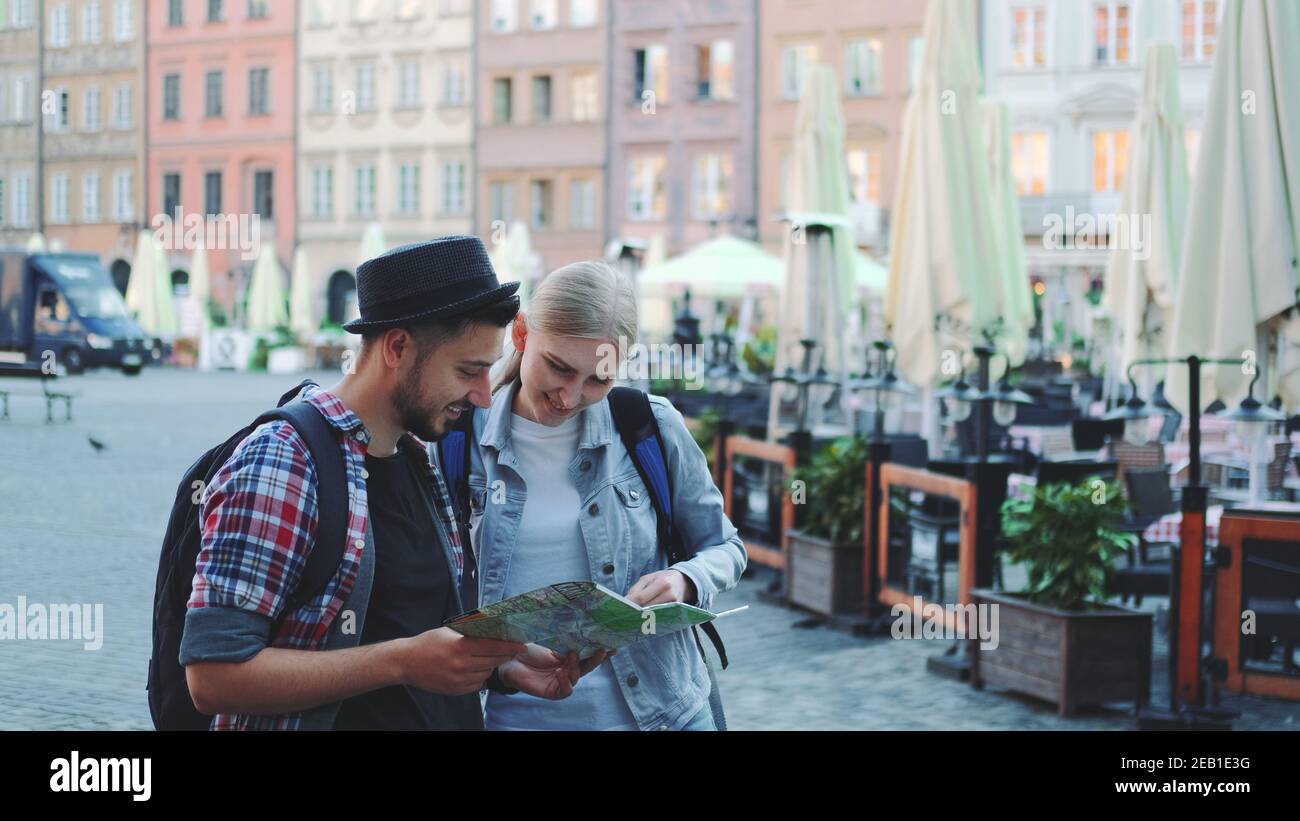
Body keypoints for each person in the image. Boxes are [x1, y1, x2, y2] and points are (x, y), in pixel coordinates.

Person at [180, 236, 606, 730]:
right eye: (469, 370)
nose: (485, 396)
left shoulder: (416, 454)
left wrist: (501, 668)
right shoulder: (284, 459)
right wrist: (402, 661)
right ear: (398, 348)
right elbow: (212, 677)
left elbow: (413, 630)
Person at [463, 260, 747, 731]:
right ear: (520, 333)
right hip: (511, 719)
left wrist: (685, 581)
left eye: (599, 379)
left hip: (664, 715)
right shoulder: (455, 441)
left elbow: (726, 547)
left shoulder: (649, 425)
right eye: (559, 367)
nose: (571, 396)